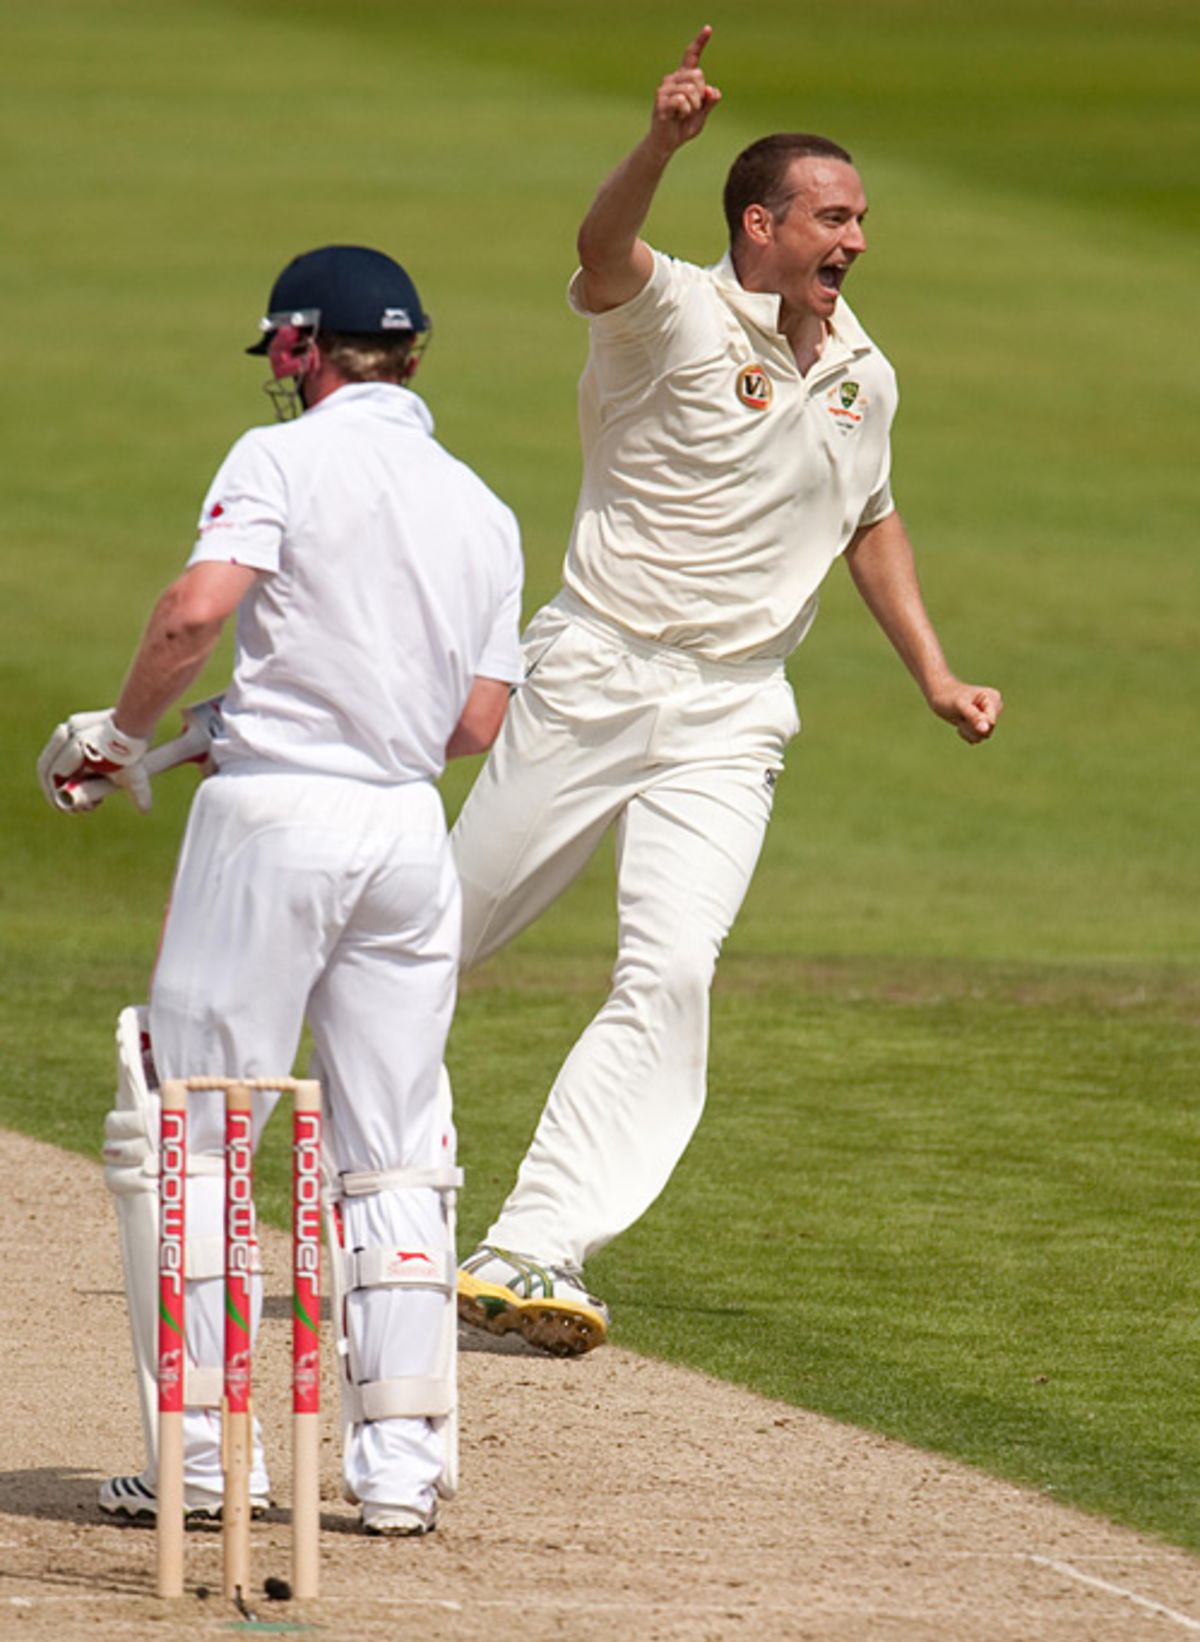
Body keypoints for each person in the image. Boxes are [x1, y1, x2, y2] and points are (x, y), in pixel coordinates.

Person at [452, 29, 1002, 1357]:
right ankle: (320, 1158)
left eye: (862, 216)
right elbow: (599, 252)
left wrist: (934, 669)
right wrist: (658, 145)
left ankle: (531, 1242)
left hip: (733, 710)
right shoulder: (674, 315)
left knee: (674, 966)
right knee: (432, 936)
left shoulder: (865, 370)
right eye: (833, 215)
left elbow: (870, 517)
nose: (856, 237)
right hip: (595, 670)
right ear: (760, 224)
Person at [38, 244, 524, 1534]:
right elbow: (472, 721)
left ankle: (203, 1466)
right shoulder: (481, 505)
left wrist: (124, 735)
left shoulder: (281, 461)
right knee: (397, 1146)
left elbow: (196, 612)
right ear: (413, 354)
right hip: (409, 833)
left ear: (302, 349)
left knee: (187, 1132)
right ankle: (401, 1474)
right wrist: (213, 730)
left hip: (272, 832)